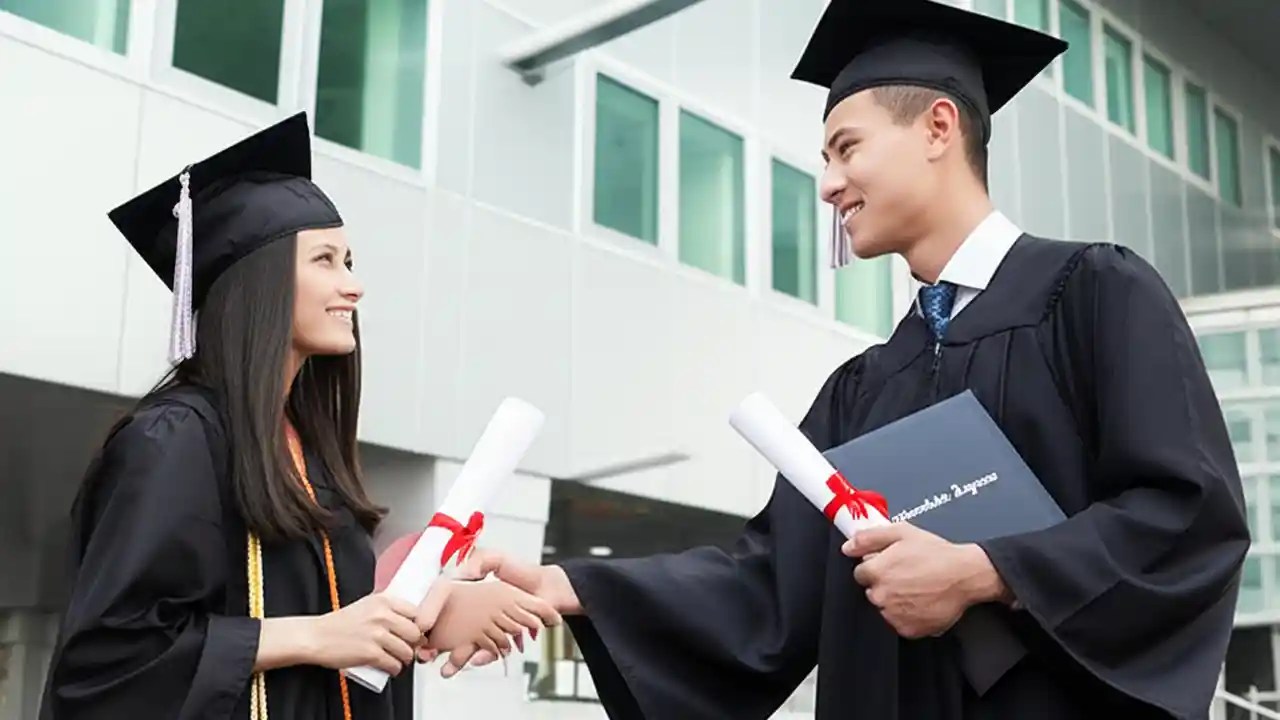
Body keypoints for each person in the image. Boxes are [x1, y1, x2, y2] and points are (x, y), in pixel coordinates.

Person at [451, 2, 1251, 718]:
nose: (828, 184)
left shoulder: (1094, 294)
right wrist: (566, 587)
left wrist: (985, 570)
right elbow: (768, 583)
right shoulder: (863, 386)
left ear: (940, 128)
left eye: (846, 147)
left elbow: (1187, 515)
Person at [38, 112, 559, 720]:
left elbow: (341, 631)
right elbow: (108, 662)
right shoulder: (174, 440)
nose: (355, 286)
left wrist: (428, 608)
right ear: (258, 283)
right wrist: (314, 636)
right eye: (326, 261)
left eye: (350, 261)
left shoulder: (306, 454)